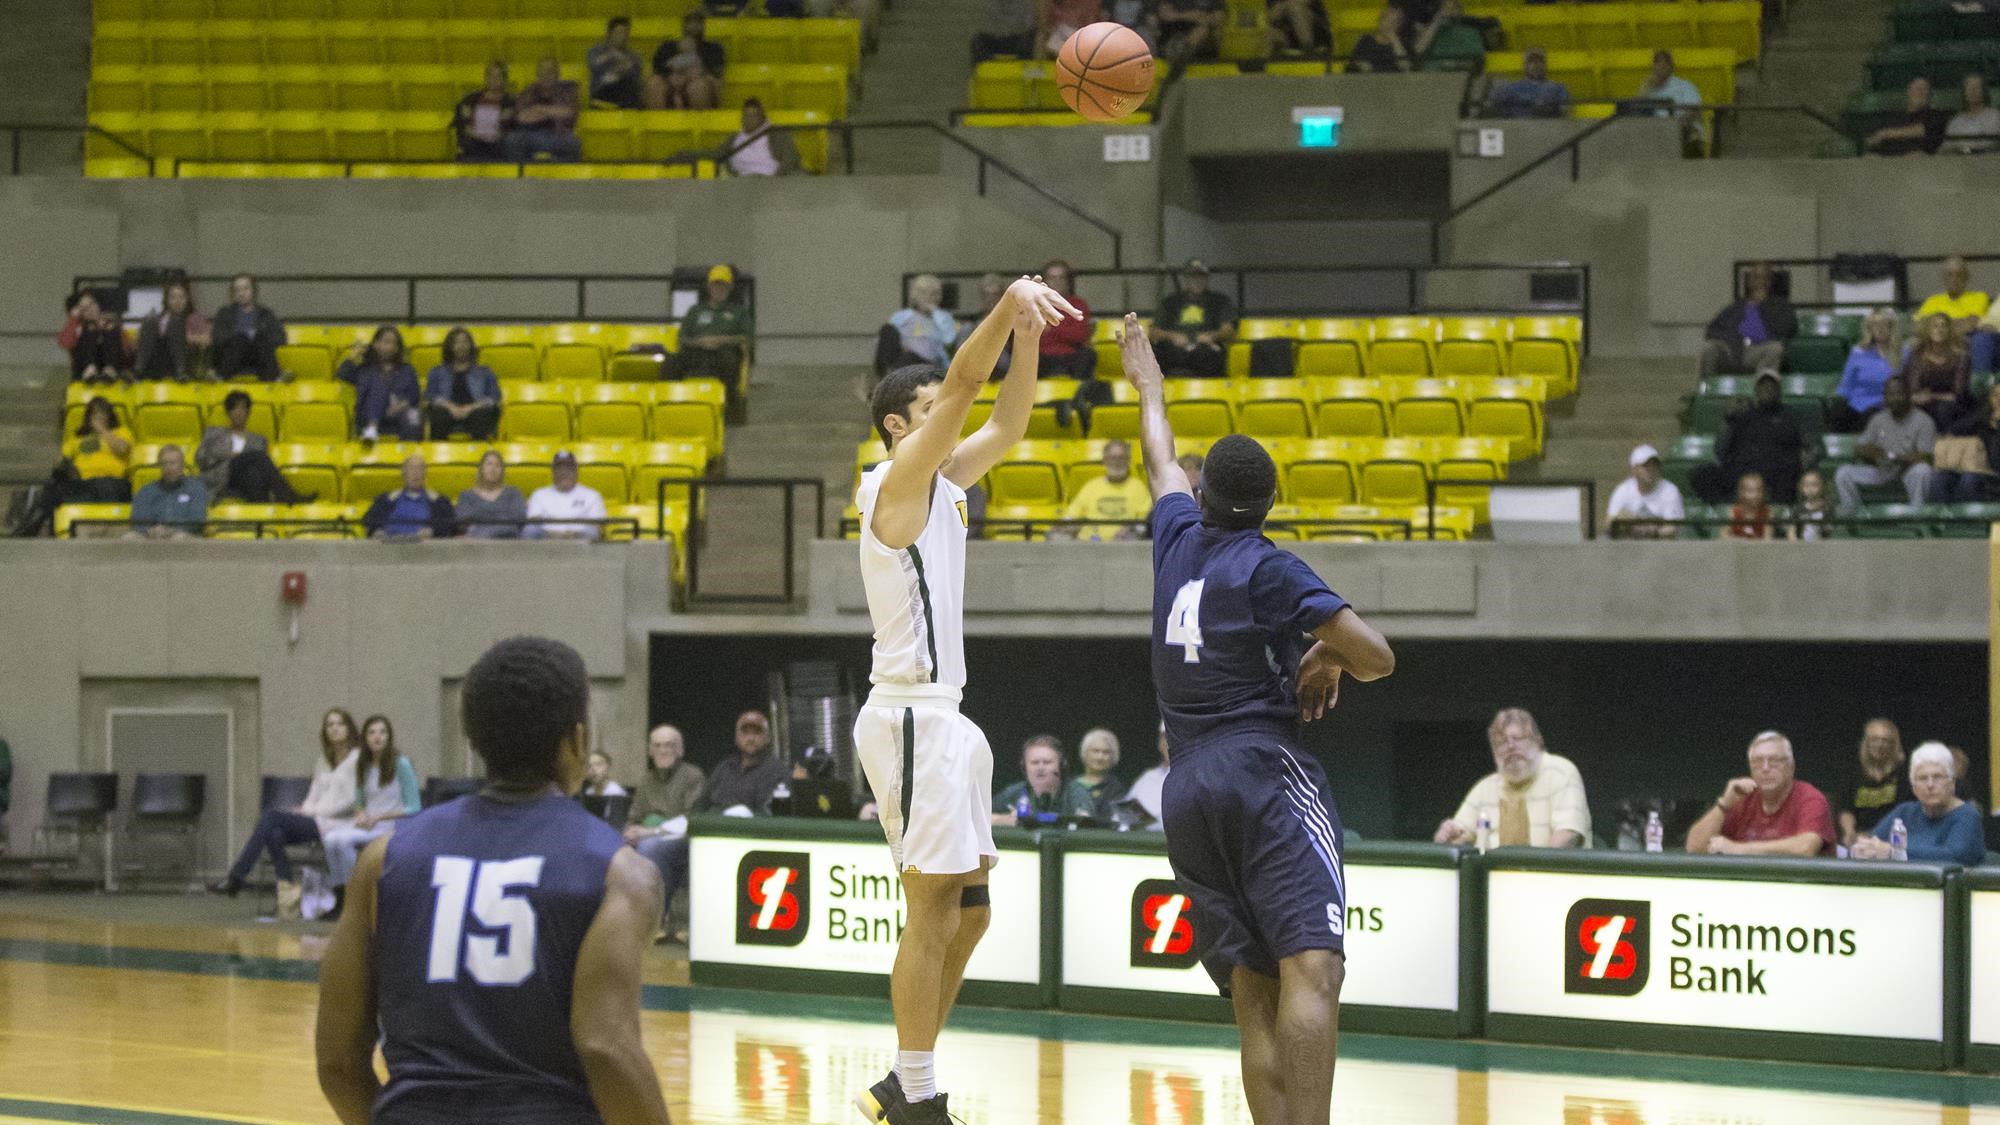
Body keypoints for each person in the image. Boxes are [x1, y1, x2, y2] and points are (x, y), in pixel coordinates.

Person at [1122, 312, 1395, 1125]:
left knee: (1255, 992)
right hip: (1261, 769)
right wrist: (1328, 654)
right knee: (1313, 971)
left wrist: (1150, 384)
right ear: (1271, 503)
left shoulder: (1174, 535)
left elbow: (1158, 454)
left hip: (1187, 785)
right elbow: (1378, 654)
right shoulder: (1269, 566)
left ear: (1205, 495)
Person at [849, 273, 1076, 1125]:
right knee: (932, 903)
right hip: (909, 714)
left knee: (970, 912)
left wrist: (1027, 332)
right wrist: (1006, 306)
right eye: (932, 400)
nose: (950, 405)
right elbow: (969, 387)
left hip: (947, 715)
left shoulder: (947, 483)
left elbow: (1008, 421)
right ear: (900, 427)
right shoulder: (892, 487)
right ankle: (914, 1092)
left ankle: (903, 1076)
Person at [314, 637, 671, 1125]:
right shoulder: (623, 873)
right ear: (577, 741)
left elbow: (337, 1061)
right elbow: (605, 1047)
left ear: (473, 739)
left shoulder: (382, 859)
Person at [209, 709, 361, 914]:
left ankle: (237, 876)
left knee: (270, 817)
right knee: (273, 833)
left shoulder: (358, 758)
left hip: (340, 823)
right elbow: (313, 794)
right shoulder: (324, 759)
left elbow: (351, 801)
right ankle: (287, 893)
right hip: (316, 820)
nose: (334, 729)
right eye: (329, 725)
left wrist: (312, 811)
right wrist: (305, 809)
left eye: (339, 724)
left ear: (349, 728)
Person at [1432, 708, 1590, 849]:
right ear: (1494, 753)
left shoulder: (1561, 772)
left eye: (1518, 738)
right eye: (1501, 743)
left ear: (1538, 741)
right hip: (1495, 876)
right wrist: (1448, 836)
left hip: (1552, 877)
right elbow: (1458, 836)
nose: (1510, 746)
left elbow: (1568, 834)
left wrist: (1534, 873)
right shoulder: (1485, 787)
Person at [318, 715, 421, 922]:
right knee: (331, 839)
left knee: (344, 841)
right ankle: (341, 898)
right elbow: (359, 803)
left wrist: (379, 816)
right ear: (365, 738)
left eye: (382, 732)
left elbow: (414, 807)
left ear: (389, 737)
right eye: (372, 733)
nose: (377, 737)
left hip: (392, 826)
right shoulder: (363, 765)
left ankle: (355, 900)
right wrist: (361, 815)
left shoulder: (401, 764)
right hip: (370, 825)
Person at [1684, 731, 1836, 857]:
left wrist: (1737, 849)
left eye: (1775, 760)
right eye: (1757, 761)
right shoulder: (1743, 798)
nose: (1765, 768)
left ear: (1791, 767)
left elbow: (1806, 847)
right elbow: (1694, 847)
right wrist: (1724, 804)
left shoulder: (1810, 798)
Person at [621, 725, 706, 936]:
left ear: (680, 750)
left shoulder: (693, 776)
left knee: (650, 848)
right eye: (657, 745)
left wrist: (651, 832)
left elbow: (691, 820)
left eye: (669, 745)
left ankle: (653, 919)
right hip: (648, 837)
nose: (663, 750)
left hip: (683, 840)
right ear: (650, 751)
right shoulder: (645, 780)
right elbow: (634, 818)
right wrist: (628, 833)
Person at [1848, 743, 1985, 866]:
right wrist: (1863, 850)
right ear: (1914, 787)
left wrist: (1894, 853)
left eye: (1937, 777)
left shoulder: (1968, 815)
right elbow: (1873, 842)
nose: (1930, 785)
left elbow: (1955, 857)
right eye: (1923, 778)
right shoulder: (1905, 812)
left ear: (1952, 783)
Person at [1690, 372, 1804, 505]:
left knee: (1792, 471)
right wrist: (1729, 420)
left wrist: (1807, 455)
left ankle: (1772, 512)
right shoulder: (1741, 414)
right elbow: (1720, 451)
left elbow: (1810, 445)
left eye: (1771, 386)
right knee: (1701, 472)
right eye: (1763, 386)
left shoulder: (1788, 415)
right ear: (1756, 390)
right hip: (1739, 475)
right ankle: (1729, 509)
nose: (1767, 389)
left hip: (1774, 479)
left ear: (1779, 390)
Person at [1835, 376, 1936, 512]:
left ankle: (1916, 516)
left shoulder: (1924, 421)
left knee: (1923, 470)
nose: (1893, 399)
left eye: (1898, 394)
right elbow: (1859, 448)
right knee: (1843, 473)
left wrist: (1892, 456)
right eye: (1889, 395)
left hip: (1907, 472)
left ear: (1908, 395)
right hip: (1881, 470)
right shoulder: (1878, 419)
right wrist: (1870, 452)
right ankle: (1854, 516)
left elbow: (1926, 457)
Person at [198, 389, 313, 503]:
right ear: (228, 412)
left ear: (248, 412)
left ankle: (262, 515)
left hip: (243, 482)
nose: (239, 412)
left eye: (243, 408)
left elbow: (262, 470)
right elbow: (200, 459)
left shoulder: (259, 440)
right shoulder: (213, 433)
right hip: (218, 477)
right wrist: (227, 455)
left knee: (255, 475)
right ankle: (287, 496)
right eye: (235, 408)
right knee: (257, 455)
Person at [674, 265, 754, 420]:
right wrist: (699, 342)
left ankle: (731, 408)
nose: (719, 289)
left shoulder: (738, 312)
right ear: (709, 287)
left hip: (724, 352)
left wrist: (722, 340)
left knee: (729, 362)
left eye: (723, 285)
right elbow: (682, 337)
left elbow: (746, 337)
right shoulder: (695, 311)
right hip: (697, 351)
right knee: (671, 362)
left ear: (730, 288)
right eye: (716, 285)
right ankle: (670, 404)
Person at [1698, 261, 1796, 379]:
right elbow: (1712, 330)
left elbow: (1787, 329)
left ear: (1769, 282)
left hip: (1758, 351)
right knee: (1710, 348)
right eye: (1754, 277)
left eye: (1763, 277)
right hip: (1733, 350)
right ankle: (1707, 391)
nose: (1758, 281)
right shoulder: (1736, 307)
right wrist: (1730, 341)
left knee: (1775, 349)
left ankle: (1763, 392)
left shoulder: (1780, 306)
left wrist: (1762, 305)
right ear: (1748, 281)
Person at [1050, 437, 1151, 540]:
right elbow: (1072, 517)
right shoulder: (1091, 486)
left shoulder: (1139, 488)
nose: (1116, 462)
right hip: (1087, 546)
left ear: (1128, 461)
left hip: (1123, 548)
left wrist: (1130, 529)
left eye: (1121, 458)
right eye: (1112, 458)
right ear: (1105, 460)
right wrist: (1061, 526)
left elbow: (1142, 524)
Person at [1149, 260, 1237, 378]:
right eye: (1193, 277)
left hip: (1206, 354)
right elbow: (1153, 332)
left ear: (1206, 279)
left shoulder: (1219, 301)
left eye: (1201, 277)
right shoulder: (1170, 302)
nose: (1197, 281)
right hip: (1174, 354)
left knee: (1206, 353)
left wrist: (1208, 337)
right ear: (1186, 278)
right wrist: (1173, 336)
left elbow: (1229, 332)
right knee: (1159, 354)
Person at [338, 326, 423, 442]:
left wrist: (401, 405)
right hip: (366, 415)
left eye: (395, 344)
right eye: (387, 342)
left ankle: (410, 451)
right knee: (377, 381)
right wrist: (354, 355)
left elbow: (415, 395)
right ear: (376, 344)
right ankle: (372, 426)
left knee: (412, 415)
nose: (391, 347)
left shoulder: (407, 370)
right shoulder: (365, 370)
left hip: (398, 413)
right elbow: (342, 374)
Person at [1835, 718, 1909, 847]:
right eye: (1874, 739)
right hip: (1858, 840)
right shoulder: (1853, 772)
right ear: (1866, 742)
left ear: (1893, 745)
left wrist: (1873, 835)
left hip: (1892, 839)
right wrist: (1850, 832)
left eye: (1885, 740)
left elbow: (1904, 814)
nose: (1879, 745)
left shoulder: (1903, 773)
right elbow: (1845, 808)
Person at [1916, 256, 1995, 377]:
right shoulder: (1932, 301)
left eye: (1959, 275)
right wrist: (1957, 323)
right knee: (1909, 345)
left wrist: (1937, 326)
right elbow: (1918, 325)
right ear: (1943, 278)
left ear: (1966, 278)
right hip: (1936, 345)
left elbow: (1971, 325)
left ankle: (1979, 387)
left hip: (1965, 343)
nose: (1954, 279)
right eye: (1949, 274)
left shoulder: (1979, 297)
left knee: (1982, 339)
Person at [991, 736, 1100, 822]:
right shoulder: (1013, 792)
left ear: (1061, 766)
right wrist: (1005, 820)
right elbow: (981, 818)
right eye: (1034, 762)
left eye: (1047, 762)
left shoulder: (1076, 793)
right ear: (1024, 766)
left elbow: (1087, 824)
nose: (1040, 768)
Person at [425, 327, 502, 442]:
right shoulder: (437, 372)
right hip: (447, 411)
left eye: (465, 342)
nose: (461, 345)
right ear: (450, 346)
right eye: (457, 342)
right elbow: (430, 396)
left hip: (475, 411)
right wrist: (450, 407)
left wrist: (471, 408)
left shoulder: (485, 372)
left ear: (471, 346)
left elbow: (494, 397)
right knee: (438, 416)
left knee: (480, 417)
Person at [1830, 308, 1899, 433]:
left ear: (1891, 327)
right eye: (1875, 325)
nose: (1880, 329)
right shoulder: (1858, 352)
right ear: (1870, 329)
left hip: (1884, 405)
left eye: (1884, 324)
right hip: (1856, 404)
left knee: (1870, 415)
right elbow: (1846, 385)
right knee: (1838, 409)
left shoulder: (1902, 353)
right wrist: (1840, 400)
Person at [1929, 382, 2000, 503]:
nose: (1998, 399)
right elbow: (1953, 431)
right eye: (1995, 395)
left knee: (1969, 479)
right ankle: (1942, 521)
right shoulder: (1981, 419)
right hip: (1977, 471)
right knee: (1939, 478)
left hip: (1994, 475)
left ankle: (1973, 521)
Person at [1902, 312, 1972, 432]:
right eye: (1934, 326)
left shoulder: (1961, 357)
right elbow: (1913, 389)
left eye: (1943, 326)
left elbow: (1958, 394)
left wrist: (1932, 396)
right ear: (1927, 331)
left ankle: (1945, 443)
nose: (1939, 330)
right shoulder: (1917, 354)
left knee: (1944, 409)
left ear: (1949, 331)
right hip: (1923, 404)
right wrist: (1917, 397)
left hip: (1953, 407)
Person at [209, 274, 285, 381]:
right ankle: (220, 378)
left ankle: (274, 379)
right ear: (233, 293)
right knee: (240, 340)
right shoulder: (224, 313)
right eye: (237, 290)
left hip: (258, 358)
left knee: (260, 340)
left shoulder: (266, 314)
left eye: (245, 288)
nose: (241, 293)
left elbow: (279, 338)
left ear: (253, 290)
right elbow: (218, 337)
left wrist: (256, 337)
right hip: (233, 358)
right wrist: (241, 337)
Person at [59, 395, 135, 504]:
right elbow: (64, 459)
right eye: (95, 413)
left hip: (111, 482)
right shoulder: (78, 438)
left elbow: (121, 449)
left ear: (109, 416)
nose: (99, 417)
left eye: (103, 413)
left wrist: (102, 431)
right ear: (89, 417)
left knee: (104, 488)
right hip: (83, 483)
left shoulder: (121, 432)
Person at [361, 455, 456, 540]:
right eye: (411, 468)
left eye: (419, 469)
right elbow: (367, 522)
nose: (415, 473)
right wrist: (377, 531)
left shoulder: (439, 501)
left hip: (425, 550)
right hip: (390, 548)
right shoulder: (386, 499)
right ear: (403, 472)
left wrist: (434, 531)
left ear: (425, 474)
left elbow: (451, 525)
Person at [508, 57, 583, 163]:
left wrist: (538, 109)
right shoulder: (529, 91)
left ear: (557, 74)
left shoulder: (567, 90)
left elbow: (569, 112)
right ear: (537, 74)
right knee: (512, 140)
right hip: (530, 134)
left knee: (574, 144)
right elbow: (520, 116)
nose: (546, 76)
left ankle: (560, 173)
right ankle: (525, 173)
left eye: (550, 72)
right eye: (542, 72)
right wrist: (552, 112)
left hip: (559, 134)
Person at [133, 280, 210, 382]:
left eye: (181, 297)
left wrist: (184, 337)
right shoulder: (157, 319)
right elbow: (140, 341)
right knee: (149, 319)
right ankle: (139, 369)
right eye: (173, 297)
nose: (177, 301)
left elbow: (206, 340)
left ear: (187, 299)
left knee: (176, 322)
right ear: (167, 300)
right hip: (158, 358)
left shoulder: (195, 318)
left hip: (182, 358)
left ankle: (180, 370)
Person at [646, 12, 725, 110]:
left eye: (697, 22)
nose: (693, 26)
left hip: (700, 85)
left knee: (697, 87)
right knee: (654, 84)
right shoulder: (667, 47)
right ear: (683, 25)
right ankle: (657, 123)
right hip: (671, 86)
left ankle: (700, 124)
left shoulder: (713, 49)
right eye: (689, 22)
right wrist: (671, 77)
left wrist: (690, 76)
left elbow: (715, 73)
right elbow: (657, 68)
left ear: (703, 26)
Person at [127, 444, 208, 539]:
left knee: (178, 538)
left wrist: (171, 530)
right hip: (152, 535)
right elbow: (137, 520)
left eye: (173, 463)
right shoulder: (146, 491)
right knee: (130, 537)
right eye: (164, 464)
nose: (169, 468)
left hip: (185, 535)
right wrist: (150, 530)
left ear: (182, 465)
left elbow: (198, 520)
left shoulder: (196, 488)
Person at [1605, 443, 1684, 539]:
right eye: (1645, 466)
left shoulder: (1670, 491)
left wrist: (1651, 532)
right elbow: (1609, 523)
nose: (1651, 469)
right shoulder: (1623, 490)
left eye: (1654, 465)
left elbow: (1672, 528)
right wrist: (1629, 520)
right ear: (1634, 469)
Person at [525, 451, 608, 540]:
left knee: (592, 531)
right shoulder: (538, 494)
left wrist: (572, 535)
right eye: (559, 468)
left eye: (569, 468)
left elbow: (597, 525)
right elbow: (533, 521)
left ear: (576, 470)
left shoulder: (593, 495)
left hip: (581, 540)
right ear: (553, 471)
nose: (564, 472)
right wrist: (557, 535)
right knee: (530, 530)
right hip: (547, 539)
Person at [1634, 49, 1704, 154]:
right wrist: (1646, 86)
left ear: (1671, 66)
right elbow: (1637, 110)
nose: (1661, 66)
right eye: (1657, 63)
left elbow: (1693, 110)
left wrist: (1673, 126)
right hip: (1656, 135)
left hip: (1683, 134)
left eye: (1665, 63)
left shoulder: (1685, 86)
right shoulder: (1649, 89)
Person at [1036, 259, 1096, 382]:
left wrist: (1052, 327)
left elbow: (1080, 336)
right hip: (1041, 358)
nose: (1057, 282)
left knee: (1088, 355)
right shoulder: (1035, 304)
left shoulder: (1079, 304)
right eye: (1052, 278)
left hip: (1071, 358)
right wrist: (1064, 330)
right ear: (1044, 281)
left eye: (1061, 278)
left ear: (1068, 281)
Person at [888, 275, 960, 368]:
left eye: (933, 293)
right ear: (915, 295)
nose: (928, 297)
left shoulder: (944, 318)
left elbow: (948, 341)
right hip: (906, 362)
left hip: (933, 364)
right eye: (923, 292)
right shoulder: (901, 316)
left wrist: (935, 314)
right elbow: (889, 340)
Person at [1866, 76, 1946, 157]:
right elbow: (1873, 139)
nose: (1919, 92)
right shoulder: (1894, 117)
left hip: (1919, 161)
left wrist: (1887, 133)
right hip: (1888, 160)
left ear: (1929, 94)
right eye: (1916, 88)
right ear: (1908, 91)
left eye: (1924, 88)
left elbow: (1923, 130)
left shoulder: (1935, 115)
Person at [719, 98, 800, 177]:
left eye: (754, 116)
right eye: (746, 115)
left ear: (762, 118)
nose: (749, 120)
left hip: (773, 181)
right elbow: (719, 153)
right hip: (741, 182)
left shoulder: (776, 134)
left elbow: (791, 158)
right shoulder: (734, 138)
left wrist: (776, 179)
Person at [61, 291, 130, 383]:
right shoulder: (78, 327)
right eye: (85, 308)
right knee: (90, 330)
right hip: (85, 368)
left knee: (109, 329)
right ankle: (90, 369)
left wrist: (111, 327)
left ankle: (109, 369)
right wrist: (74, 318)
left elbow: (128, 349)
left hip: (112, 365)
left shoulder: (111, 323)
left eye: (92, 304)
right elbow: (65, 343)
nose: (91, 309)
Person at [453, 61, 516, 162]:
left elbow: (512, 123)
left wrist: (502, 126)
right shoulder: (470, 99)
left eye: (498, 76)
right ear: (486, 78)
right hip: (473, 140)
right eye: (491, 75)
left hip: (498, 143)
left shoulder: (510, 102)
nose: (494, 79)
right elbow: (459, 119)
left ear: (504, 79)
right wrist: (467, 127)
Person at [457, 450, 528, 539]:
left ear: (503, 470)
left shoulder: (513, 493)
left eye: (497, 465)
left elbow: (519, 518)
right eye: (489, 464)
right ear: (481, 468)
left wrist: (481, 519)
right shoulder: (466, 496)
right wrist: (502, 517)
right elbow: (463, 521)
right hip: (477, 544)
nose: (492, 469)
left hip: (508, 540)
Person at [1489, 46, 1570, 118]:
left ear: (1546, 65)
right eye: (1531, 61)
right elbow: (1497, 112)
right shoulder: (1510, 88)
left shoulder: (1558, 88)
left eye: (1540, 61)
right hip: (1517, 130)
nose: (1536, 64)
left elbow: (1565, 112)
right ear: (1524, 65)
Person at [1121, 723, 1171, 831]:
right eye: (1166, 739)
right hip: (1141, 843)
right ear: (1160, 744)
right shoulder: (1148, 777)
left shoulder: (1198, 777)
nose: (1170, 744)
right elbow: (1123, 814)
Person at [587, 17, 645, 109]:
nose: (623, 37)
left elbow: (635, 73)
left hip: (627, 99)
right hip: (602, 96)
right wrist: (610, 56)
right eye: (619, 33)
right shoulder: (596, 51)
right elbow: (593, 65)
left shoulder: (634, 56)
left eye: (626, 33)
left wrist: (622, 62)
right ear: (609, 34)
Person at [1346, 6, 1416, 73]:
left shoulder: (1403, 44)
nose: (1389, 25)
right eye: (1386, 20)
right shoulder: (1366, 40)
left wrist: (1395, 41)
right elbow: (1354, 63)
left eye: (1394, 22)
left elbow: (1406, 67)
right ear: (1379, 22)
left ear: (1399, 26)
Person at [1943, 74, 2000, 155]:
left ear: (1984, 91)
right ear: (1964, 92)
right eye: (1969, 87)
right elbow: (1947, 147)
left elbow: (1989, 144)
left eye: (1977, 87)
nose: (1973, 90)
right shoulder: (1955, 121)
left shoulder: (1996, 116)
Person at [1075, 728, 1127, 816]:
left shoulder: (1116, 790)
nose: (1100, 757)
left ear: (1113, 757)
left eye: (1106, 752)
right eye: (1095, 751)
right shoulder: (1069, 786)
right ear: (1084, 752)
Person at [1157, 0, 1224, 66]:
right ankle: (1180, 56)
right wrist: (1189, 16)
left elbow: (1219, 16)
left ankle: (1184, 53)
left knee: (1202, 30)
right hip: (1174, 33)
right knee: (1201, 31)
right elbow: (1165, 14)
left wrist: (1202, 19)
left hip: (1204, 32)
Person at [971, 0, 1036, 62]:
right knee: (977, 40)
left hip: (1017, 40)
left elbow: (1029, 27)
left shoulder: (1025, 3)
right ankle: (987, 68)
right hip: (996, 40)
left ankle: (1020, 68)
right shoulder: (987, 3)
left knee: (1030, 39)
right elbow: (985, 26)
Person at [1782, 468, 1833, 540]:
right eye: (1806, 485)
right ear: (1801, 488)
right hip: (1800, 547)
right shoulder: (1797, 509)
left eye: (1814, 485)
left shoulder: (1827, 508)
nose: (1810, 489)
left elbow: (1829, 532)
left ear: (1822, 486)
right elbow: (1791, 530)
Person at [1724, 471, 1771, 540]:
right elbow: (1723, 536)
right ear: (1742, 493)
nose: (1756, 495)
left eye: (1759, 490)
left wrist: (1753, 541)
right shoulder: (1733, 512)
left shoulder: (1767, 512)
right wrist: (1740, 540)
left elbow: (1768, 538)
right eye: (1751, 491)